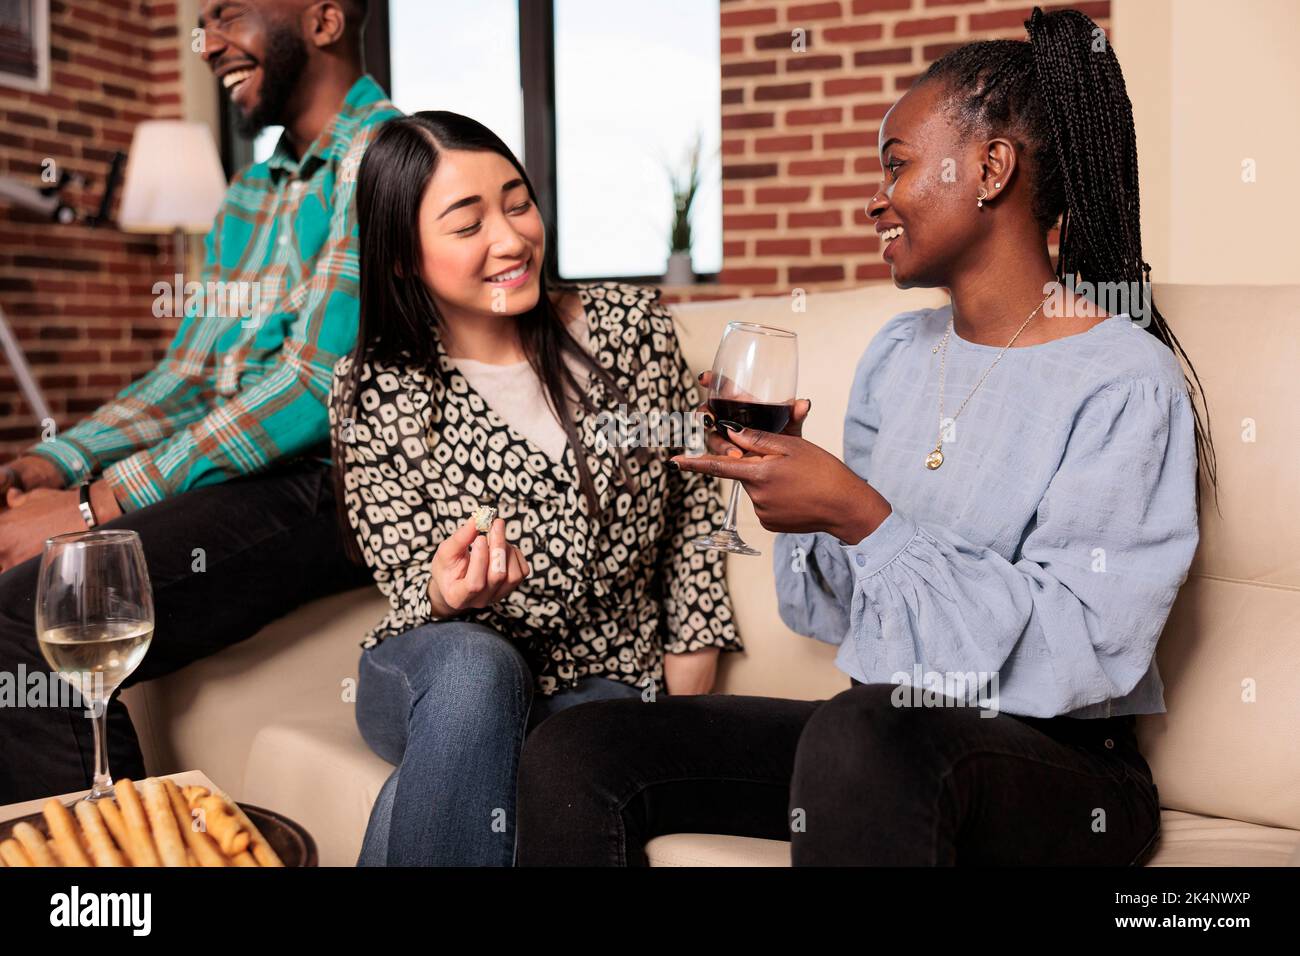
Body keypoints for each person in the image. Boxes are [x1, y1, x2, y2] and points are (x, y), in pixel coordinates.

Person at [513, 6, 1215, 866]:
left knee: (862, 732)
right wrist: (798, 504)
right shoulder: (898, 353)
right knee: (579, 749)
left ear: (990, 168)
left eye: (898, 165)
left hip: (1059, 763)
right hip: (884, 732)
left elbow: (1083, 649)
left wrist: (863, 518)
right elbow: (839, 614)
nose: (875, 198)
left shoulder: (1123, 379)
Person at [0, 0, 399, 804]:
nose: (209, 42)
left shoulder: (388, 158)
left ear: (324, 20)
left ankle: (114, 887)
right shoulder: (251, 192)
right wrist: (54, 460)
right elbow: (187, 376)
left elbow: (315, 389)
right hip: (240, 475)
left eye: (230, 14)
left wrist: (88, 508)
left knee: (34, 620)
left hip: (333, 487)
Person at [327, 111, 742, 866]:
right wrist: (449, 594)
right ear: (401, 259)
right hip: (435, 668)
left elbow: (692, 507)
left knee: (476, 779)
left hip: (601, 676)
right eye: (467, 223)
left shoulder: (632, 328)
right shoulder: (375, 387)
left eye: (517, 202)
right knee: (479, 670)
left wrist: (693, 656)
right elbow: (405, 578)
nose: (512, 239)